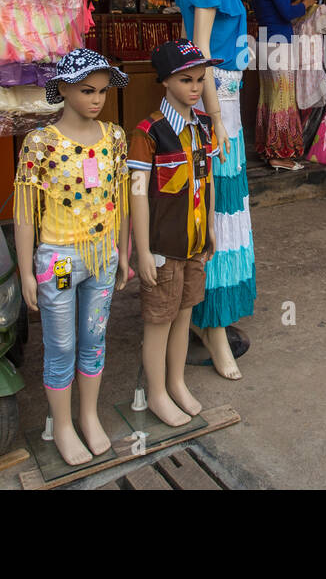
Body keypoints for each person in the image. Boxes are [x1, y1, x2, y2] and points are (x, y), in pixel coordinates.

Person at [14, 48, 131, 467]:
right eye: (87, 90)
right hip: (59, 260)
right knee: (61, 344)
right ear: (63, 89)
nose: (97, 99)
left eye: (101, 90)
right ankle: (62, 425)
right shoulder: (40, 143)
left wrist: (125, 250)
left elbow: (121, 198)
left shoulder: (115, 136)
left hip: (103, 257)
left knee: (94, 338)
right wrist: (26, 269)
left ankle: (88, 416)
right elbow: (25, 210)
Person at [174, 0, 256, 381]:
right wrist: (218, 120)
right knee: (217, 217)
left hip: (224, 99)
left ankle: (208, 322)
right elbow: (198, 53)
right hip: (214, 104)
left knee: (222, 211)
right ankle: (214, 331)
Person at [127, 40, 219, 426]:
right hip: (163, 247)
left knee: (184, 314)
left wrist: (211, 227)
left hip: (195, 243)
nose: (196, 87)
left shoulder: (203, 126)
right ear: (165, 81)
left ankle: (177, 382)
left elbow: (207, 180)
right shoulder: (148, 132)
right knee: (159, 320)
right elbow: (137, 195)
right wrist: (143, 250)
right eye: (186, 79)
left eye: (200, 79)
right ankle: (157, 393)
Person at [247, 0, 317, 171]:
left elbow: (277, 12)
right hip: (280, 46)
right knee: (282, 100)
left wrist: (299, 4)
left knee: (268, 98)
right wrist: (305, 3)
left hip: (265, 44)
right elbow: (287, 13)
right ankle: (279, 154)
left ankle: (268, 150)